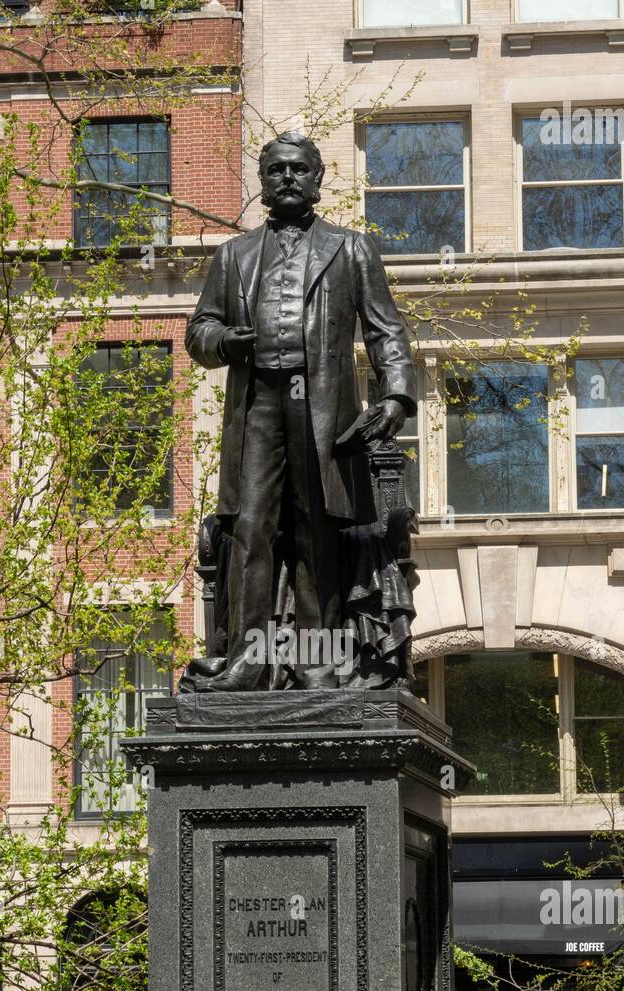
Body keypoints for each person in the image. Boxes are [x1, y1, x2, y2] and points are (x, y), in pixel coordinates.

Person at [184, 132, 417, 690]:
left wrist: (396, 395)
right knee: (251, 530)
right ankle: (247, 660)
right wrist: (224, 343)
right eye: (276, 170)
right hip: (257, 406)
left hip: (324, 411)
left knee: (318, 535)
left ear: (317, 181)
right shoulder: (233, 255)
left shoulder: (352, 248)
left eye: (298, 169)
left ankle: (316, 660)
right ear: (262, 182)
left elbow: (386, 332)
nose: (287, 177)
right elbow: (198, 332)